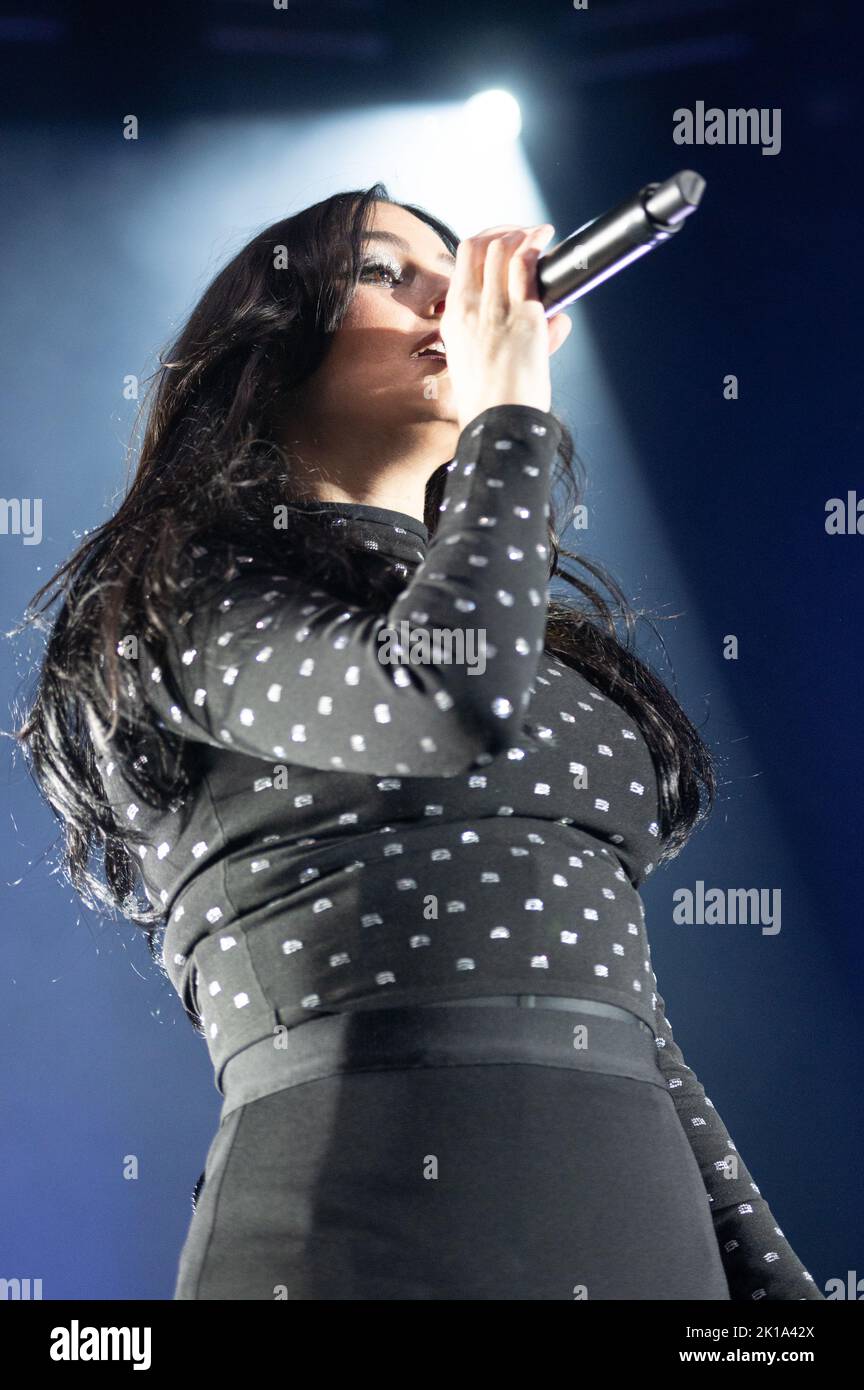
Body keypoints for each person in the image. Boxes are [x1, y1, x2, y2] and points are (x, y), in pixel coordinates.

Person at [15, 182, 824, 1301]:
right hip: (363, 1218)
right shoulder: (182, 586)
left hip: (641, 1225)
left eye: (451, 269)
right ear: (268, 342)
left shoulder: (531, 639)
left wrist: (777, 1296)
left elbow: (622, 1012)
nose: (451, 295)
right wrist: (508, 420)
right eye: (387, 274)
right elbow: (441, 699)